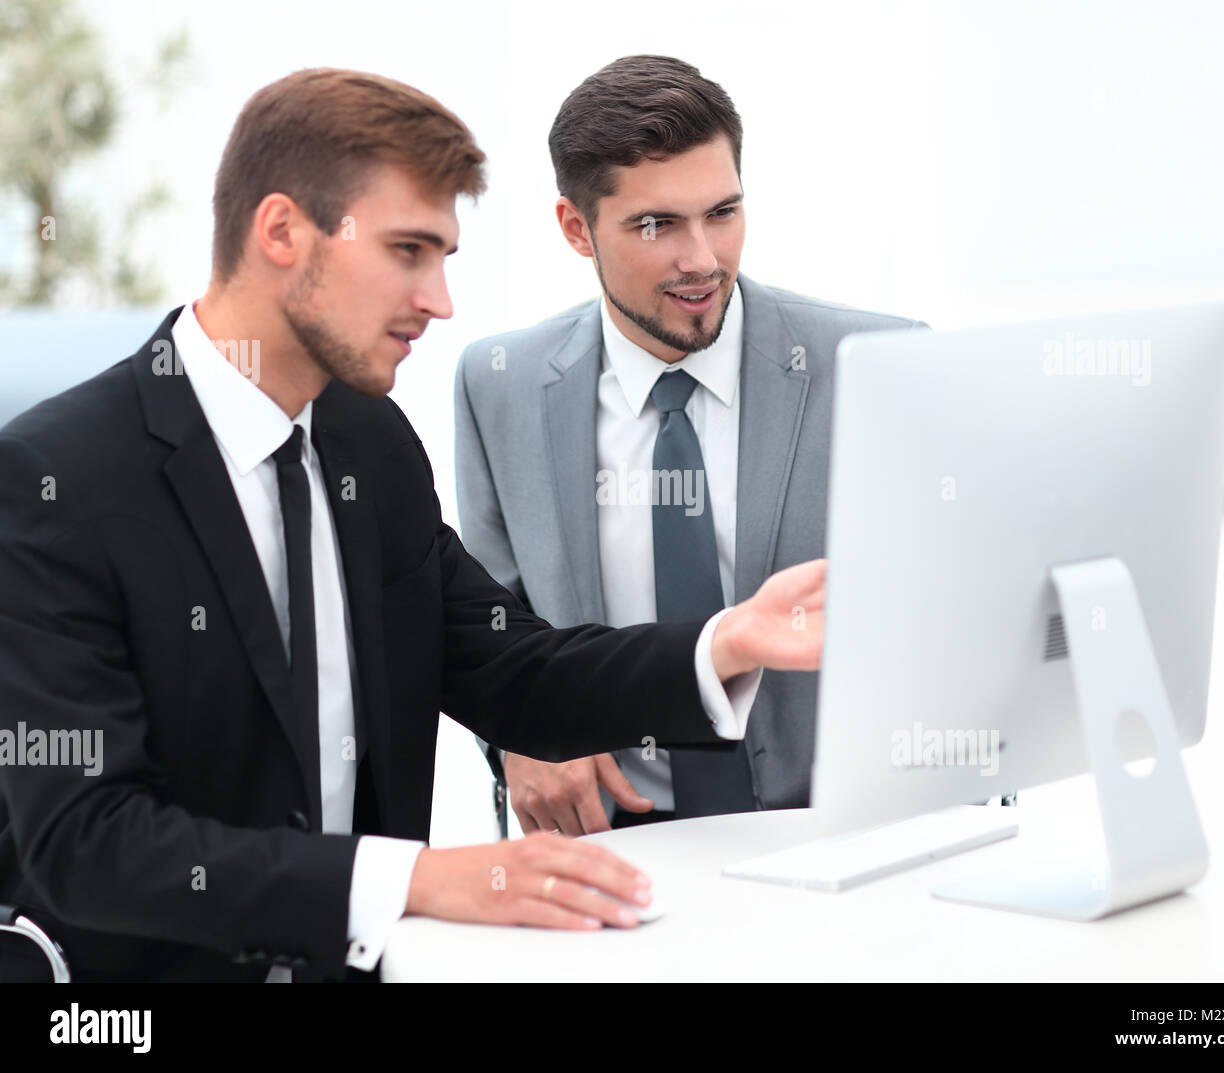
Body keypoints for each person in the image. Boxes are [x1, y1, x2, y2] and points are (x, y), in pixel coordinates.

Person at [0, 68, 825, 983]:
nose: (440, 301)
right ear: (281, 232)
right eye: (408, 252)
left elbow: (515, 670)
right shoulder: (57, 477)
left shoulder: (368, 443)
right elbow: (87, 840)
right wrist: (415, 881)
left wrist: (728, 641)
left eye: (445, 258)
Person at [456, 55, 925, 835]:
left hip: (838, 837)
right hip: (610, 851)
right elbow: (486, 632)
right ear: (577, 229)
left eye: (723, 212)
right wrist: (512, 734)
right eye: (656, 224)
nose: (703, 259)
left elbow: (945, 622)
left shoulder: (880, 365)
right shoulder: (497, 382)